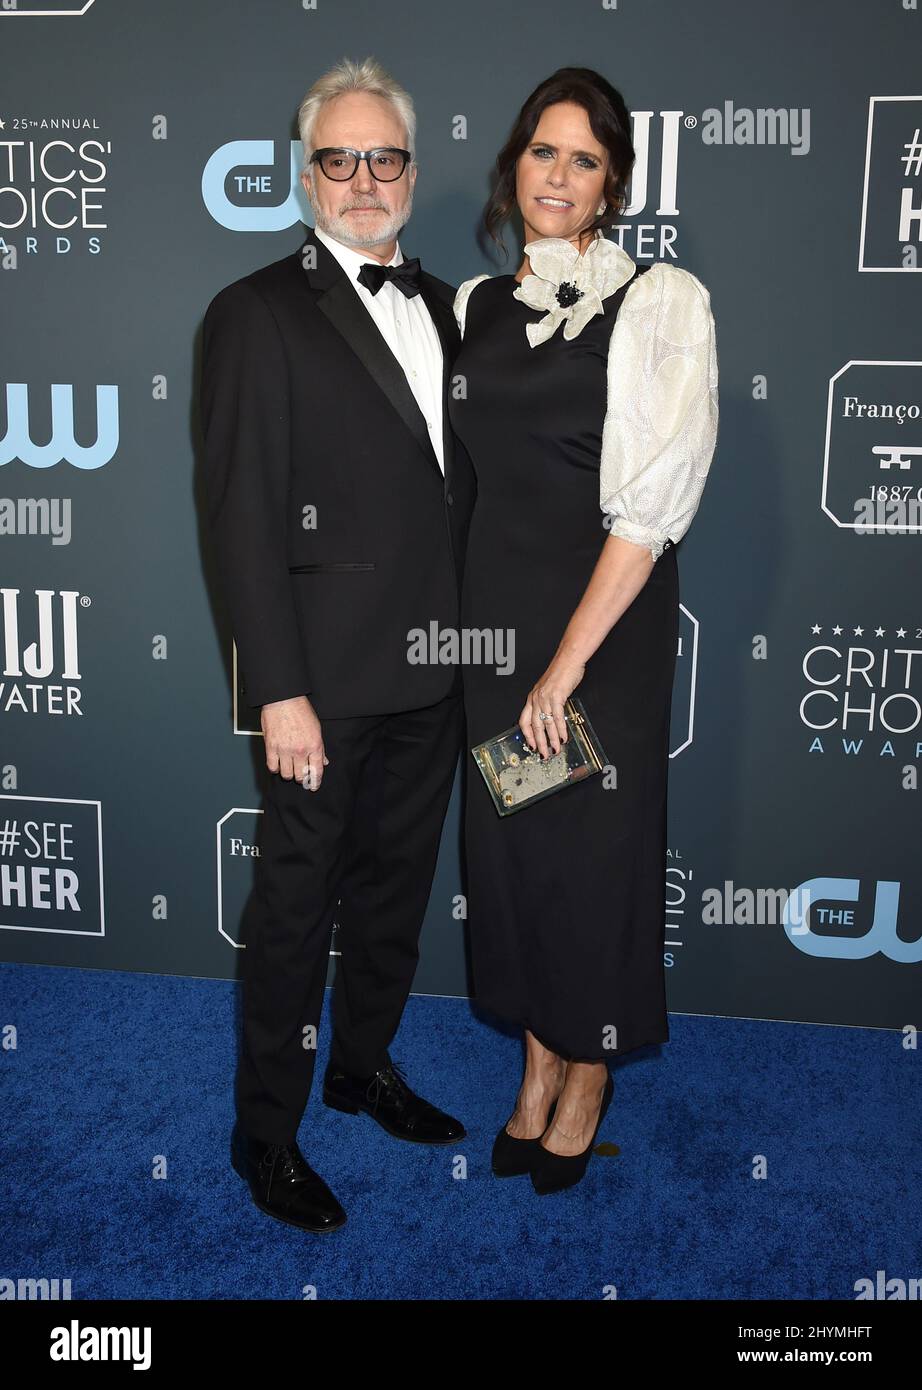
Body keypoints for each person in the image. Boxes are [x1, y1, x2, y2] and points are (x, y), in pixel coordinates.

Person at [200, 57, 475, 1233]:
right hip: (320, 690)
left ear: (413, 170)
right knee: (293, 913)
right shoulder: (255, 312)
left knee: (396, 897)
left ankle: (360, 1068)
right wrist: (281, 693)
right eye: (339, 157)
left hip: (437, 672)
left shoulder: (453, 304)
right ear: (305, 172)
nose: (364, 179)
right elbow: (240, 522)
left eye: (386, 156)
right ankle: (264, 1135)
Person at [450, 67, 719, 1195]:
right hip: (491, 625)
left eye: (584, 159)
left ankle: (589, 1072)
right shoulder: (470, 304)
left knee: (589, 861)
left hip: (598, 626)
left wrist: (565, 664)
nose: (558, 175)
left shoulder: (660, 301)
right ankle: (535, 1061)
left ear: (611, 185)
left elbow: (653, 506)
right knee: (514, 858)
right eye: (542, 151)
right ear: (514, 166)